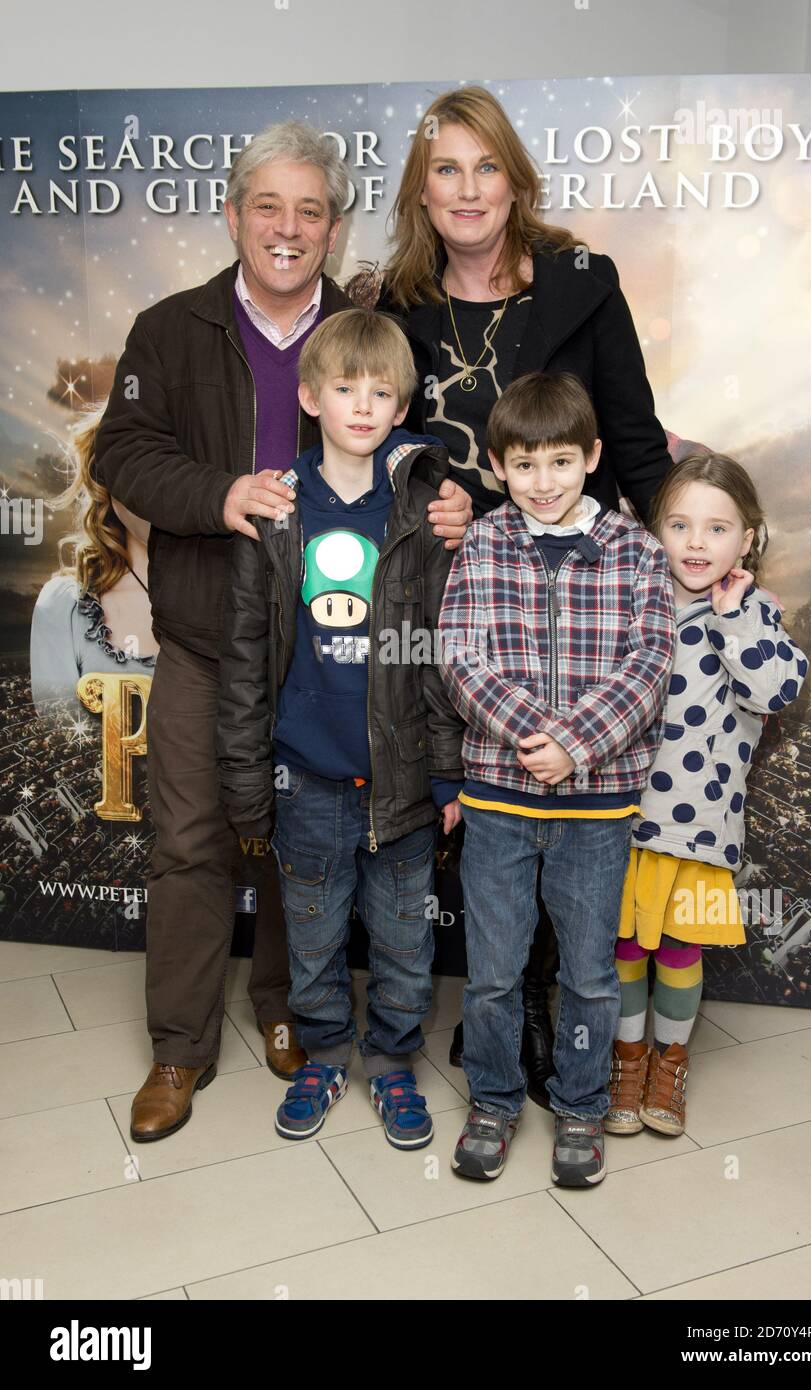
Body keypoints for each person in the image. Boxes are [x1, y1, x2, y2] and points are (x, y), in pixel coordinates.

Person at [94, 119, 474, 1143]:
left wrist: (451, 505)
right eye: (268, 204)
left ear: (335, 226)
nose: (288, 227)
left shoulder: (368, 337)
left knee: (296, 849)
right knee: (190, 842)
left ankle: (284, 1016)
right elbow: (121, 454)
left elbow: (428, 456)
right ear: (232, 214)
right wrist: (217, 494)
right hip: (210, 639)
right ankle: (178, 1051)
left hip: (329, 657)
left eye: (311, 209)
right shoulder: (170, 329)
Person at [353, 84, 674, 1095]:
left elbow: (629, 437)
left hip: (569, 593)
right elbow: (381, 439)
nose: (466, 188)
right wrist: (437, 495)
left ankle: (545, 1018)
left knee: (565, 815)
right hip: (446, 592)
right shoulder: (395, 306)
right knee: (476, 809)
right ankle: (493, 1008)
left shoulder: (580, 284)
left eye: (485, 166)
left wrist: (690, 551)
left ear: (514, 178)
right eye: (444, 168)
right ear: (419, 186)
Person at [215, 308, 465, 1149]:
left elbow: (441, 657)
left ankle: (393, 1064)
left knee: (403, 942)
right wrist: (247, 776)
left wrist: (448, 774)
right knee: (314, 938)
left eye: (381, 391)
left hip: (400, 785)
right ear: (312, 397)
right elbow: (246, 655)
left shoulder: (424, 515)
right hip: (305, 780)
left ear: (402, 409)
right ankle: (323, 1054)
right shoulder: (276, 511)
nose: (362, 405)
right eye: (345, 387)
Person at [437, 371, 676, 1186]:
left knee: (587, 973)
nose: (544, 483)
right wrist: (527, 734)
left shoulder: (636, 551)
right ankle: (496, 1101)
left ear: (593, 459)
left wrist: (576, 744)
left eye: (562, 463)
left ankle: (580, 1105)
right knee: (496, 969)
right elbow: (459, 655)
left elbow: (649, 667)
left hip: (598, 806)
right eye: (526, 465)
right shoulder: (483, 543)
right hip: (499, 800)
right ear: (499, 466)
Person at [607, 453, 809, 1137]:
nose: (696, 543)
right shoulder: (636, 597)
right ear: (654, 529)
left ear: (746, 539)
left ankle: (670, 1060)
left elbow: (775, 691)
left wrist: (732, 618)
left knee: (680, 951)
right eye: (681, 524)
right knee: (625, 951)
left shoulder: (756, 615)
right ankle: (627, 1057)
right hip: (622, 819)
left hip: (699, 830)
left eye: (717, 528)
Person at [31, 405, 157, 715]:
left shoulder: (242, 598)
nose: (162, 487)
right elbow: (63, 746)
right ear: (104, 476)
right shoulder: (64, 609)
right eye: (140, 462)